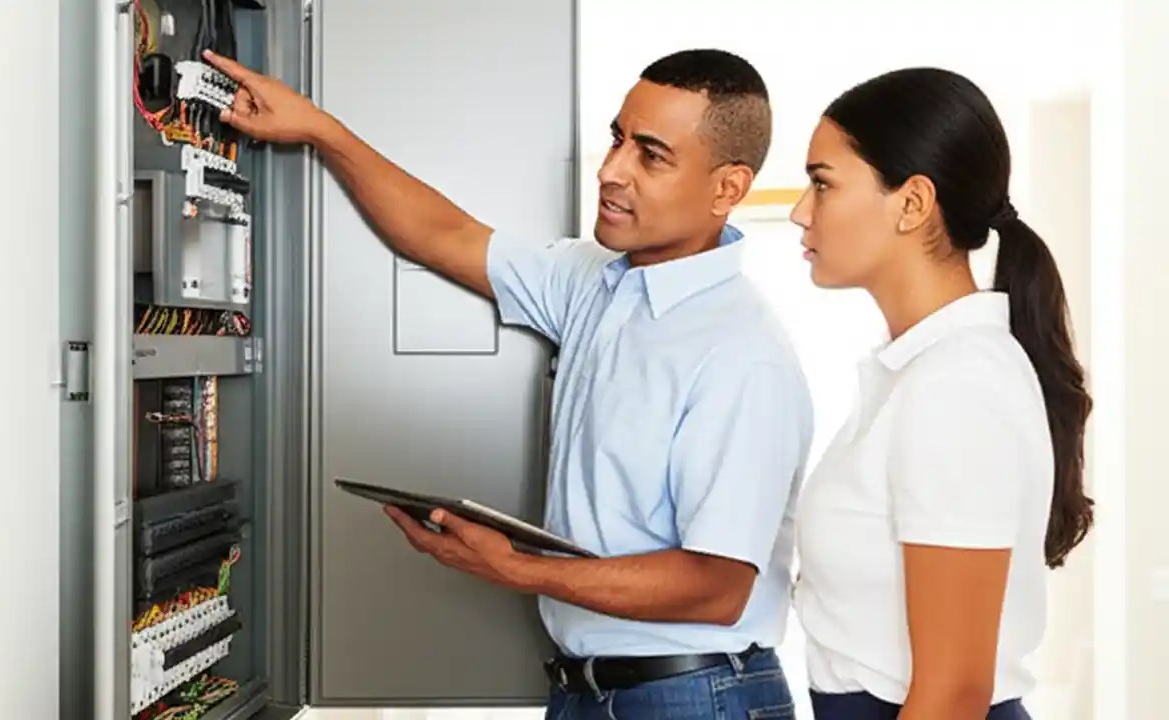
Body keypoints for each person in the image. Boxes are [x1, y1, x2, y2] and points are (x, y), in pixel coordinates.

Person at [202, 47, 812, 718]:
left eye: (652, 156)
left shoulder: (742, 352)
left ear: (727, 189)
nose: (611, 172)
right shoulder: (593, 282)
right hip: (592, 692)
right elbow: (441, 233)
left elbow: (716, 587)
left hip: (697, 698)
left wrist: (511, 567)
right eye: (617, 139)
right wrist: (320, 128)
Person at [789, 67, 1094, 720]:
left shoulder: (957, 385)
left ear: (912, 203)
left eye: (822, 184)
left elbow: (953, 691)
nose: (798, 211)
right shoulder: (923, 373)